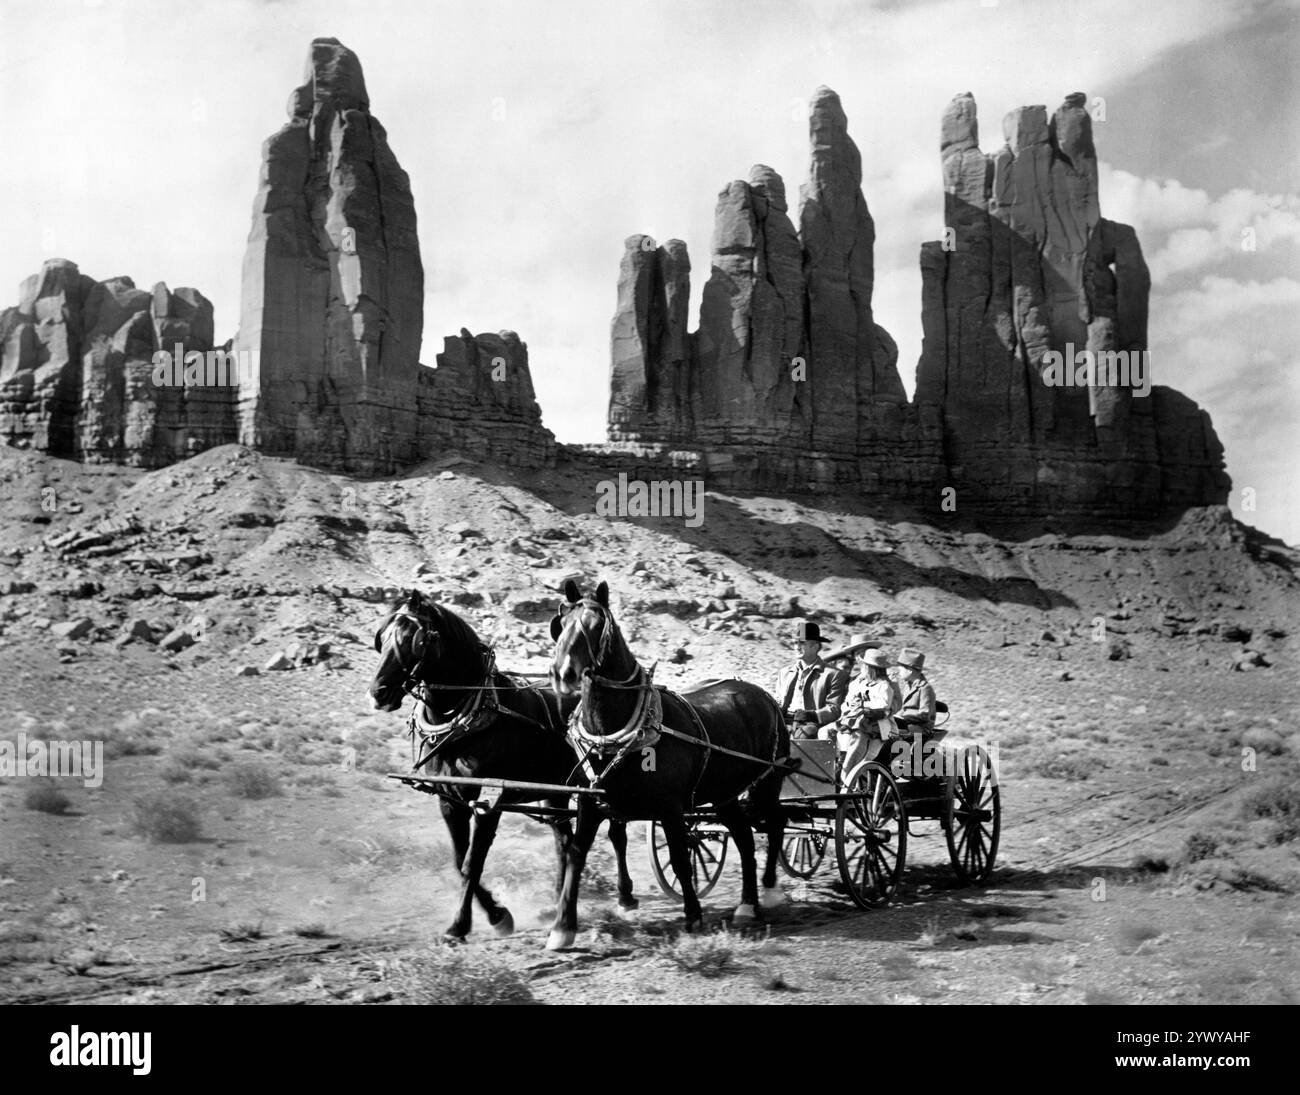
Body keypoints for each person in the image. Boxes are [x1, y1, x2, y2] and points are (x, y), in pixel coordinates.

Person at [774, 621, 848, 740]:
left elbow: (834, 709)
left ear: (816, 646)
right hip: (785, 721)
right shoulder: (784, 673)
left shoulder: (834, 675)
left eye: (802, 643)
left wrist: (811, 715)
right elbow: (778, 700)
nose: (797, 647)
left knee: (805, 734)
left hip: (812, 724)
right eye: (794, 643)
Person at [838, 648, 900, 779]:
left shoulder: (885, 686)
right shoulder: (857, 683)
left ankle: (847, 773)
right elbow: (846, 703)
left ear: (870, 668)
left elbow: (885, 706)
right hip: (854, 720)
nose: (861, 667)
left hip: (875, 724)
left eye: (864, 665)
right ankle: (840, 764)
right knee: (831, 732)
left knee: (859, 737)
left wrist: (863, 706)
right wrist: (851, 706)